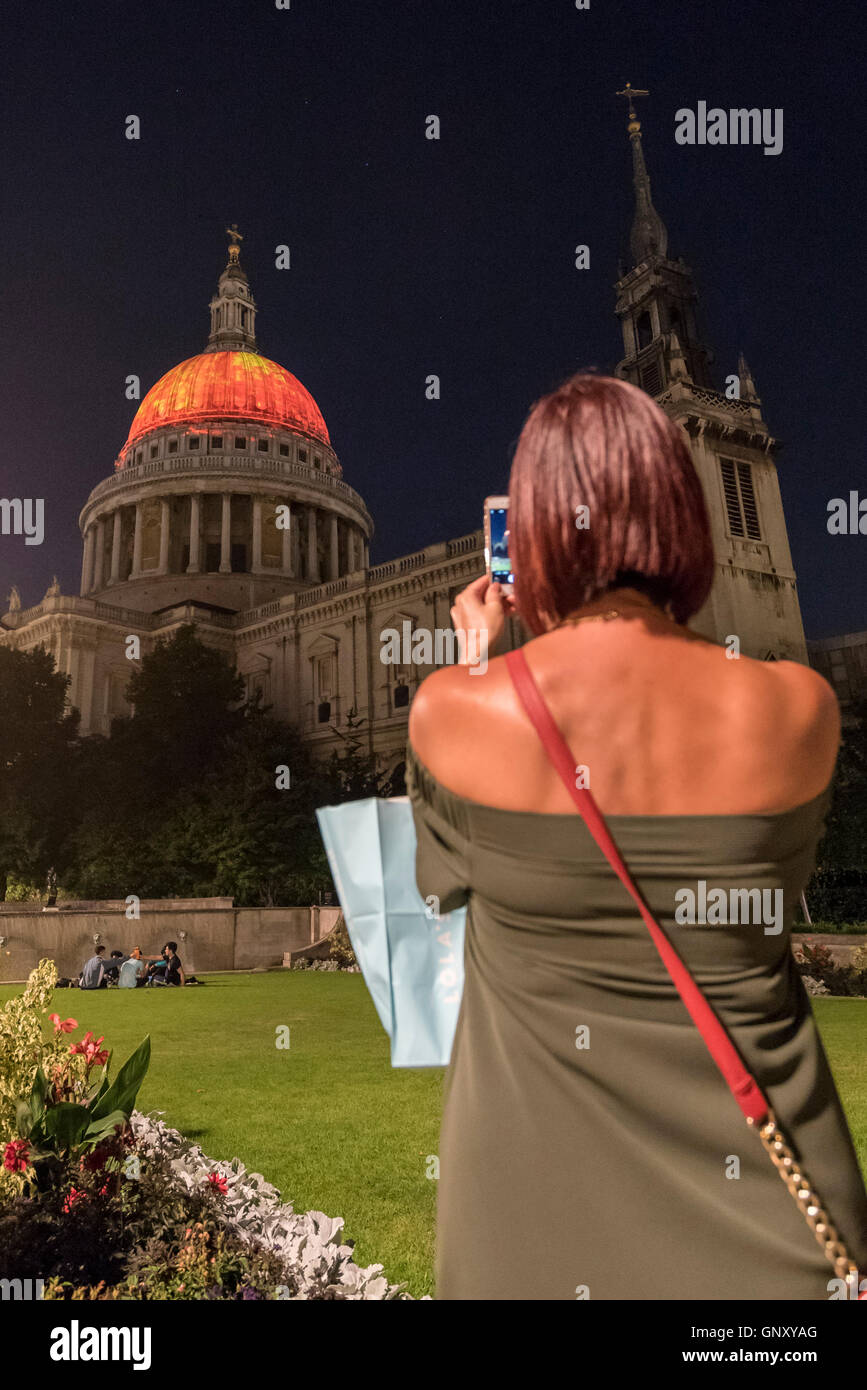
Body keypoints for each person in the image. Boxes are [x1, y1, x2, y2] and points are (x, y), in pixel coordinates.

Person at [407, 372, 867, 1301]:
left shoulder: (453, 715)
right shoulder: (799, 709)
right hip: (778, 1253)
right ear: (681, 511)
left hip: (530, 1237)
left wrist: (473, 660)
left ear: (529, 536)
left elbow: (438, 894)